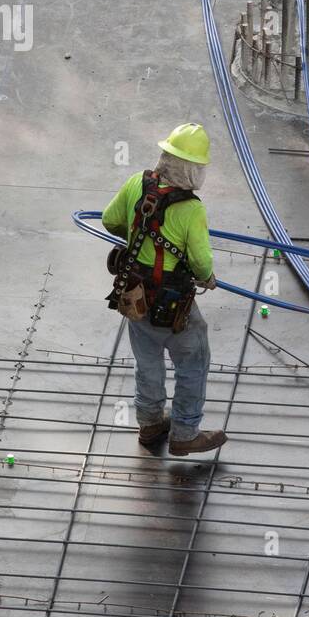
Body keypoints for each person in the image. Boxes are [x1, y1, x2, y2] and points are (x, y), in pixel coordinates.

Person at [102, 123, 226, 457]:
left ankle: (151, 423)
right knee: (193, 361)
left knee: (148, 362)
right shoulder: (191, 209)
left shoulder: (136, 184)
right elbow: (201, 263)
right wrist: (207, 277)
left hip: (135, 297)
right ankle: (185, 432)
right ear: (194, 169)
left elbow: (109, 220)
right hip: (172, 305)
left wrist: (136, 236)